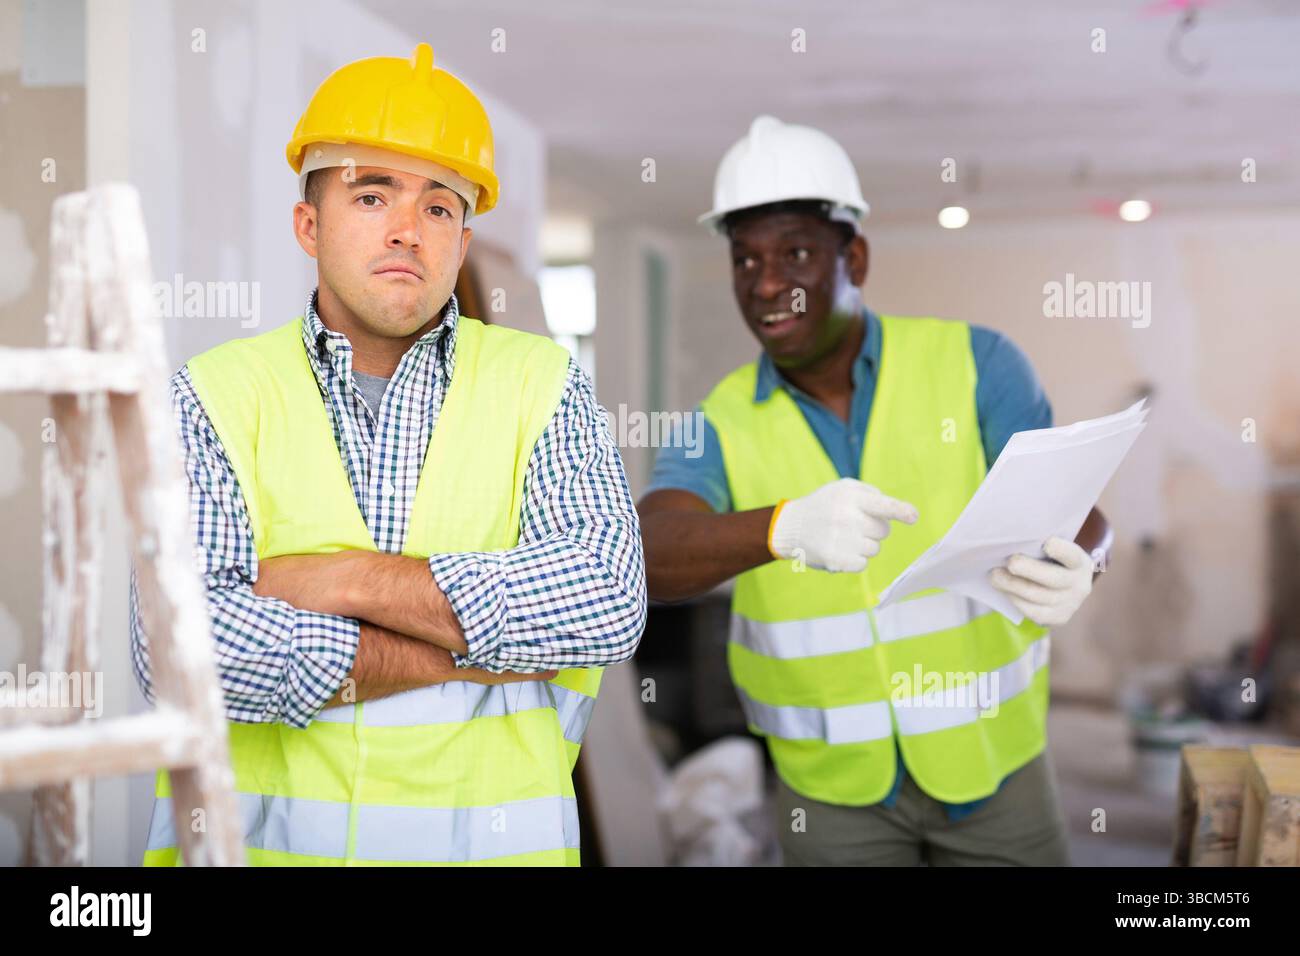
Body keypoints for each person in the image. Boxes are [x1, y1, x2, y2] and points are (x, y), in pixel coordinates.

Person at [131, 43, 645, 866]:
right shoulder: (214, 395)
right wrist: (468, 656)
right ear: (309, 224)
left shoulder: (542, 383)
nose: (409, 229)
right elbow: (181, 652)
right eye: (372, 194)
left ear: (464, 241)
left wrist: (339, 579)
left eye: (440, 208)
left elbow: (606, 600)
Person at [638, 115, 1109, 866]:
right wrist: (782, 528)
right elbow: (648, 550)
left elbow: (1074, 512)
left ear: (853, 256)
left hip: (995, 768)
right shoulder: (716, 421)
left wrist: (1087, 561)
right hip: (827, 795)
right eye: (743, 259)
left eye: (794, 253)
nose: (764, 285)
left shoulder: (978, 363)